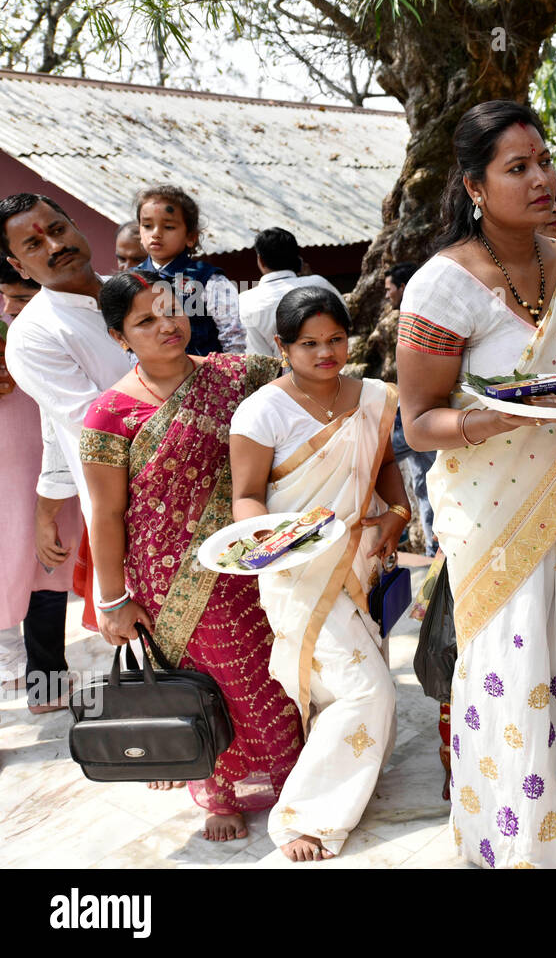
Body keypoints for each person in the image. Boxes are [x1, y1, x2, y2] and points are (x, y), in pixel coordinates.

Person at [396, 99, 556, 869]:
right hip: (492, 515)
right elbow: (419, 418)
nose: (542, 179)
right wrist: (484, 423)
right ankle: (523, 845)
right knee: (516, 677)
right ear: (474, 185)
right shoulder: (442, 286)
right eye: (517, 168)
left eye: (544, 161)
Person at [80, 271, 302, 841]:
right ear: (119, 337)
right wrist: (111, 599)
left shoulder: (240, 376)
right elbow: (104, 514)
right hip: (168, 576)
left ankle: (299, 780)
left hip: (251, 556)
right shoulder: (108, 415)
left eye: (171, 310)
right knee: (207, 680)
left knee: (273, 671)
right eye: (145, 321)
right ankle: (221, 791)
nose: (167, 326)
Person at [229, 286, 404, 862]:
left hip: (356, 559)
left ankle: (349, 777)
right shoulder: (261, 412)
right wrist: (275, 544)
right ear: (282, 347)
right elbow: (248, 498)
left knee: (341, 687)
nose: (326, 353)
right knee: (367, 689)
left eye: (336, 340)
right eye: (309, 344)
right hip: (293, 567)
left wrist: (397, 517)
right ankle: (304, 817)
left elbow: (384, 469)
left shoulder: (374, 396)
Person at [2, 194, 133, 610]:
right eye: (34, 245)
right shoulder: (33, 336)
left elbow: (54, 438)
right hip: (137, 512)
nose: (56, 246)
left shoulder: (138, 293)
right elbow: (97, 426)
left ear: (74, 226)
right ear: (19, 267)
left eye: (57, 230)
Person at [0, 263, 81, 711]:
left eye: (22, 300)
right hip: (16, 458)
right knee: (21, 566)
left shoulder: (65, 321)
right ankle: (26, 674)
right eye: (6, 297)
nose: (12, 309)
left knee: (48, 565)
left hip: (54, 457)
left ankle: (45, 684)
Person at [133, 184, 245, 355]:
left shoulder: (209, 280)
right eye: (147, 225)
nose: (156, 233)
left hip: (202, 376)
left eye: (168, 227)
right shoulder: (130, 280)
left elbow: (233, 337)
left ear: (191, 237)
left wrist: (227, 378)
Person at [386, 261, 439, 557]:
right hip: (429, 410)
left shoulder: (395, 322)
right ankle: (435, 551)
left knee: (370, 466)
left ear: (404, 288)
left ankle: (432, 549)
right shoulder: (435, 315)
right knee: (427, 483)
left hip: (403, 415)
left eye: (389, 289)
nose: (386, 296)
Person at [238, 227, 344, 357]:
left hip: (281, 374)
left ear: (260, 260)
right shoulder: (318, 284)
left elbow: (258, 357)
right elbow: (345, 323)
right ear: (297, 258)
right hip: (329, 367)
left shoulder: (244, 302)